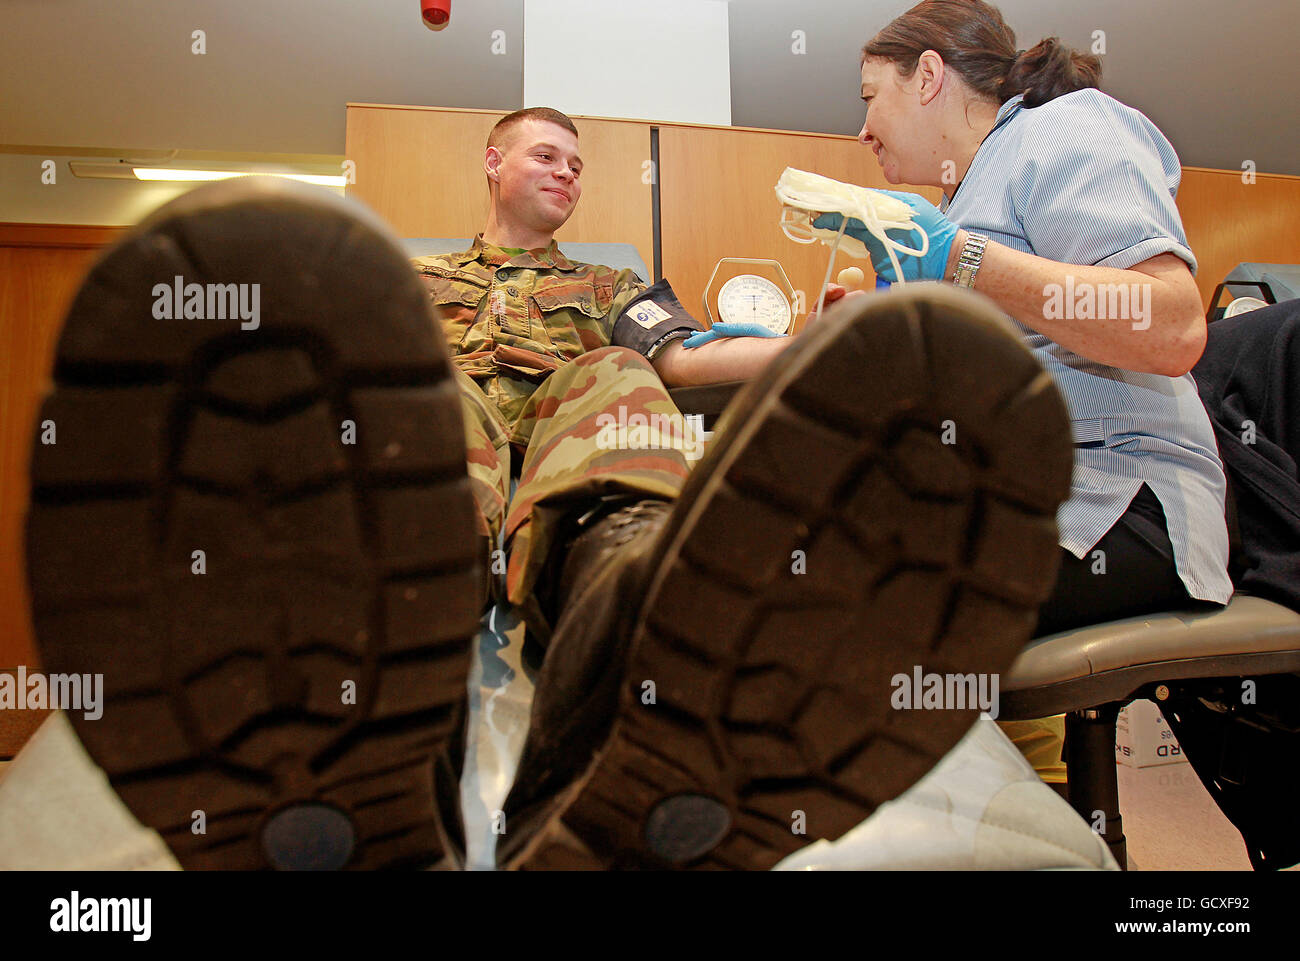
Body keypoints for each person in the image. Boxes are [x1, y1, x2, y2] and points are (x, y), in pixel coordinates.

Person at [26, 104, 1075, 870]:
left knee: (611, 377)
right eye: (548, 154)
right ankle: (349, 630)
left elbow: (683, 363)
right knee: (418, 399)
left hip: (568, 477)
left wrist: (818, 352)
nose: (569, 173)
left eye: (579, 164)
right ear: (493, 163)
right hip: (437, 474)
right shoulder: (405, 284)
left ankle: (641, 608)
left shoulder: (614, 288)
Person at [813, 0, 1233, 637]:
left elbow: (1172, 327)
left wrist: (963, 259)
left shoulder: (1059, 130)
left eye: (870, 97)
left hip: (1122, 499)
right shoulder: (960, 200)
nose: (863, 131)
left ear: (928, 76)